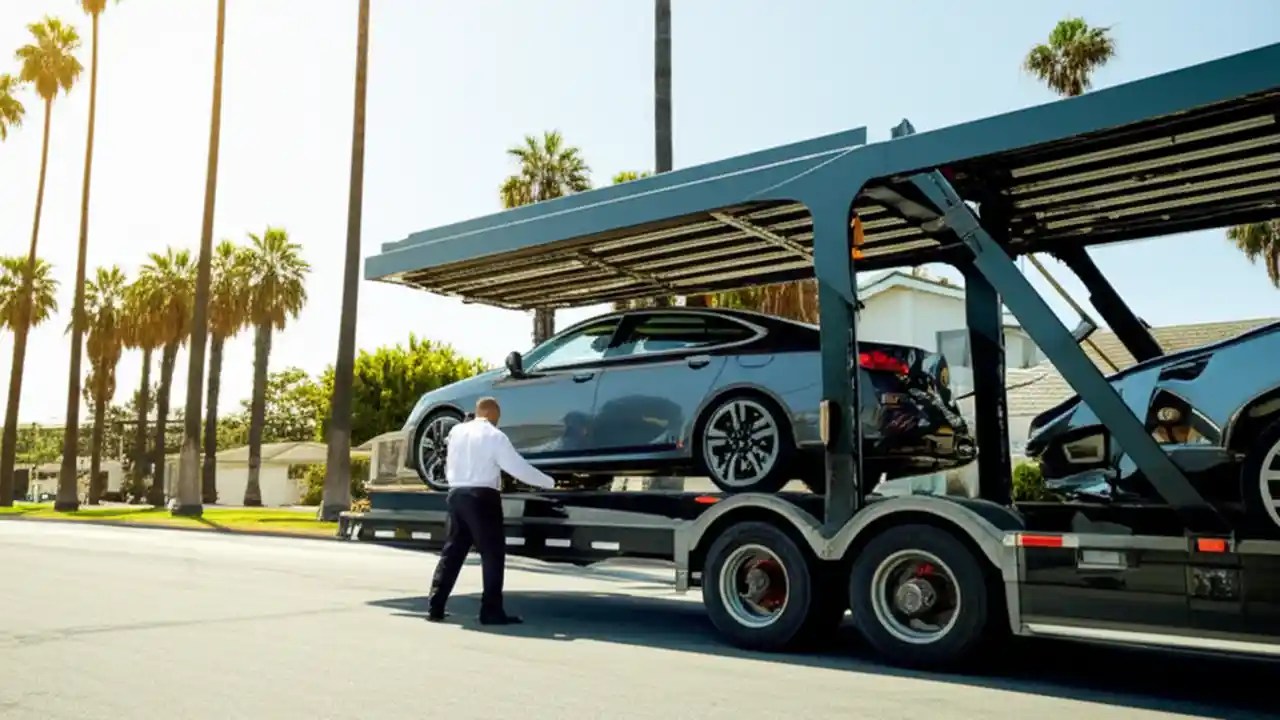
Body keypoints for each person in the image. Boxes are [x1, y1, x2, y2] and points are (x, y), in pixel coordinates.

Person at [426, 396, 556, 625]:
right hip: (482, 499)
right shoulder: (495, 436)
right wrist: (550, 482)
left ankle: (436, 606)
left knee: (453, 552)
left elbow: (449, 456)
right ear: (494, 416)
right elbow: (518, 468)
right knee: (492, 554)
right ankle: (491, 611)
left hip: (456, 495)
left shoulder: (456, 432)